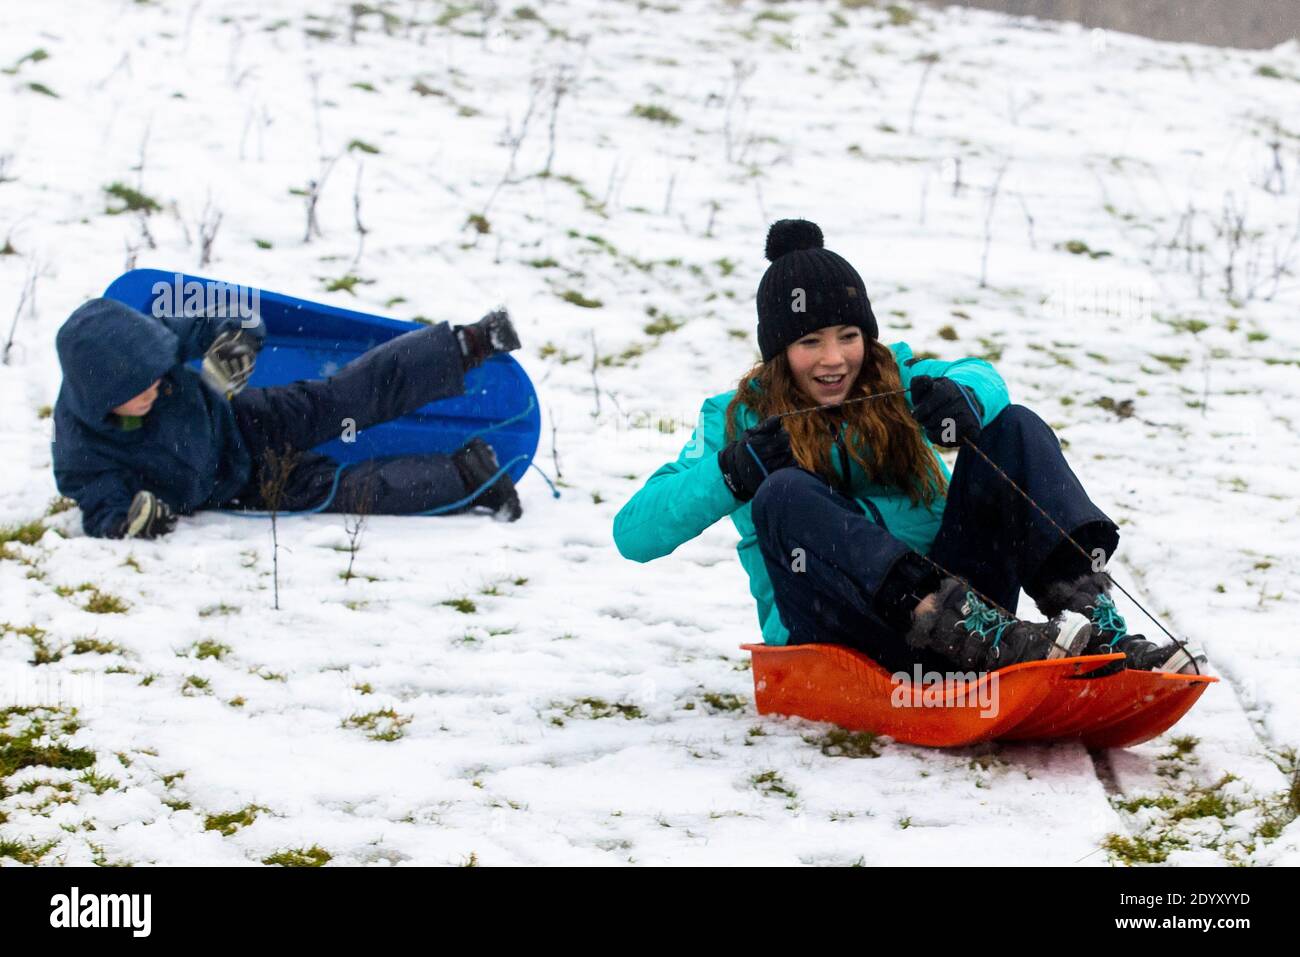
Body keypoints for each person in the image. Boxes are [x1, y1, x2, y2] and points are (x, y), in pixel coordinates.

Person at [613, 219, 1204, 676]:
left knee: (1013, 425)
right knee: (785, 491)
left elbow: (984, 377)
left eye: (849, 336)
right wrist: (735, 470)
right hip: (839, 629)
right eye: (809, 342)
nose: (834, 358)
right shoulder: (735, 419)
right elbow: (634, 534)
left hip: (967, 619)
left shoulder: (894, 376)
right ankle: (978, 634)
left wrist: (963, 396)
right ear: (777, 352)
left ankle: (1091, 625)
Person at [52, 297, 524, 539]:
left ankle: (469, 345)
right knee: (349, 489)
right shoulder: (81, 449)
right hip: (237, 485)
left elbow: (237, 316)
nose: (154, 386)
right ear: (102, 394)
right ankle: (469, 476)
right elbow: (102, 507)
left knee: (346, 399)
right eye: (138, 389)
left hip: (243, 420)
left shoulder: (149, 340)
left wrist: (234, 344)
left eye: (156, 375)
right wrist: (135, 518)